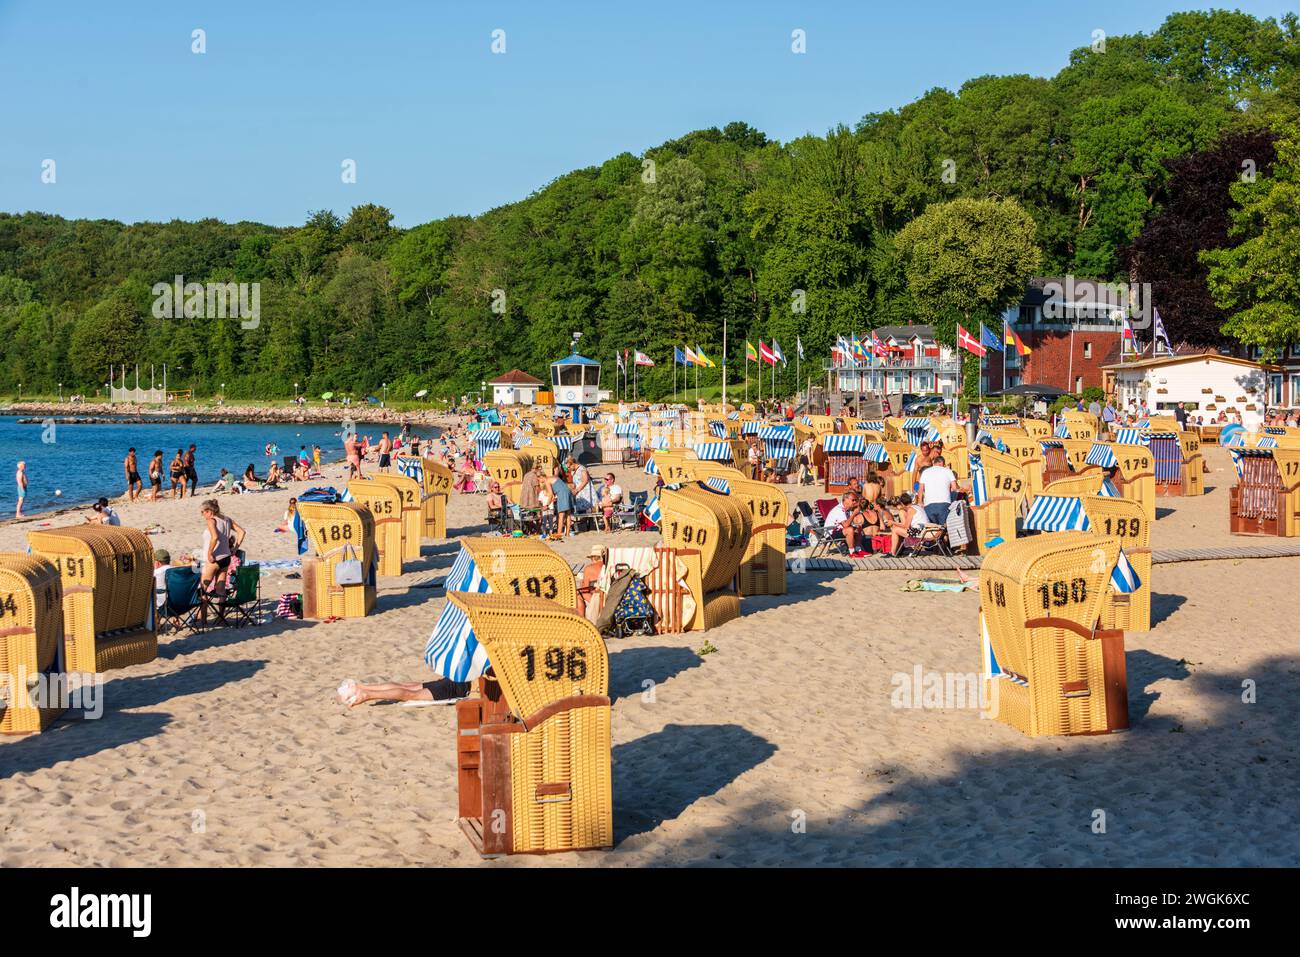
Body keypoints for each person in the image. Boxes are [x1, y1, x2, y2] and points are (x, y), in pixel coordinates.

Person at [336, 675, 472, 708]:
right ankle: (368, 694)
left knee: (407, 687)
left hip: (452, 680)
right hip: (453, 689)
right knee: (409, 694)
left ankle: (360, 687)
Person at [199, 499, 245, 594]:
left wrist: (209, 553)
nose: (202, 515)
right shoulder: (227, 519)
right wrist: (235, 548)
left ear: (209, 511)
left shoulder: (211, 521)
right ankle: (221, 609)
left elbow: (215, 537)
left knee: (203, 589)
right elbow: (242, 532)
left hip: (215, 558)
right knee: (221, 590)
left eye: (202, 512)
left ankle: (203, 609)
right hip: (226, 557)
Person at [917, 455, 957, 526]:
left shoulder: (925, 472)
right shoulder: (948, 471)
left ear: (933, 463)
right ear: (943, 464)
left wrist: (920, 502)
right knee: (944, 528)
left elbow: (920, 489)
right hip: (944, 503)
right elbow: (954, 488)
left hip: (929, 504)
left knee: (932, 529)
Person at [822, 490, 864, 557]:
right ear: (845, 499)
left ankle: (858, 549)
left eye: (855, 500)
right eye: (853, 500)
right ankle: (852, 552)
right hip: (830, 533)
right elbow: (846, 525)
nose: (854, 502)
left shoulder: (847, 509)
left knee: (858, 528)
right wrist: (854, 514)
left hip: (839, 530)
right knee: (850, 530)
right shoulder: (839, 509)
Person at [576, 544, 607, 622]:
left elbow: (585, 589)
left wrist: (581, 583)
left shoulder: (589, 568)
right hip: (607, 597)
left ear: (593, 558)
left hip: (597, 598)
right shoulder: (609, 566)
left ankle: (582, 621)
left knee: (578, 595)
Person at [550, 465, 575, 540]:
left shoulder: (552, 478)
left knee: (562, 514)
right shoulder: (559, 476)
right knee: (568, 514)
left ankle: (559, 533)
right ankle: (566, 533)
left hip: (563, 494)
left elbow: (551, 492)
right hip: (567, 492)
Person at [153, 548, 177, 614]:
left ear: (157, 562)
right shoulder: (177, 571)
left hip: (163, 605)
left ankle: (156, 621)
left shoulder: (156, 573)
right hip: (180, 604)